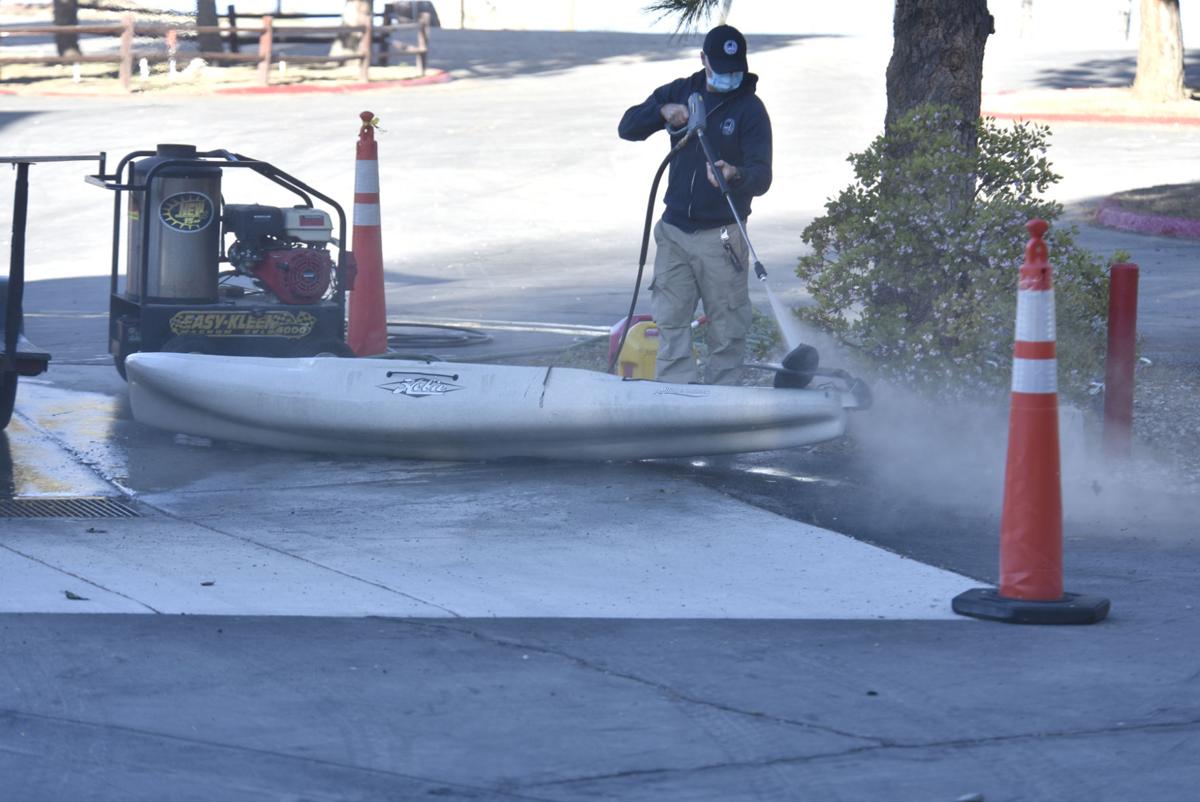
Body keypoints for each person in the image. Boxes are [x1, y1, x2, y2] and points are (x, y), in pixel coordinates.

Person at [618, 24, 772, 385]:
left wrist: (734, 174)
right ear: (703, 60)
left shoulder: (751, 110)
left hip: (723, 235)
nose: (729, 77)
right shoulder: (681, 91)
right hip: (674, 232)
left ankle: (724, 402)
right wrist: (662, 112)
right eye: (721, 68)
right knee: (670, 321)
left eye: (736, 70)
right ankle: (676, 398)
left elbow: (762, 176)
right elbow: (627, 127)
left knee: (728, 326)